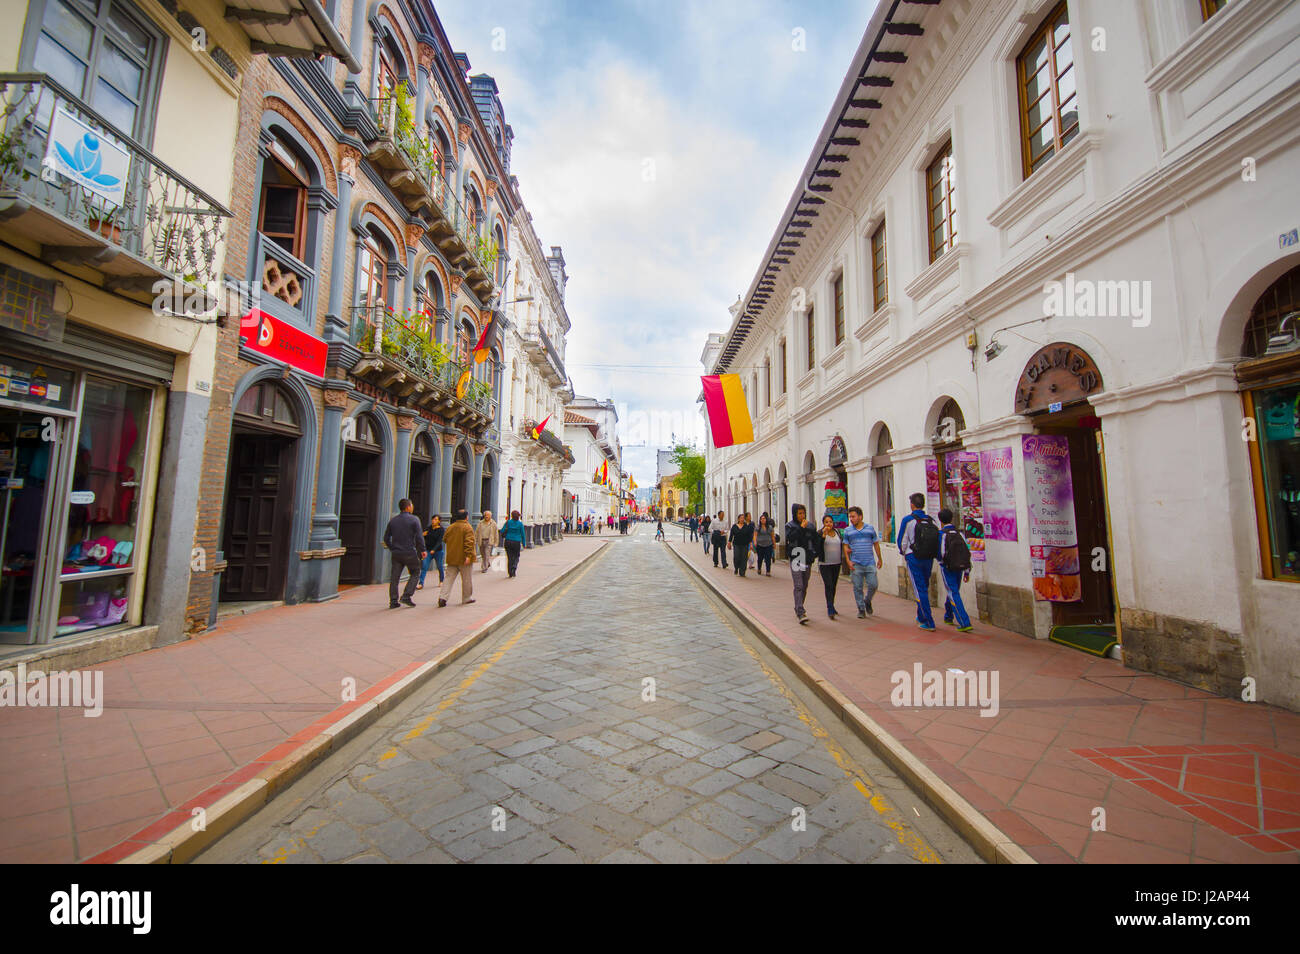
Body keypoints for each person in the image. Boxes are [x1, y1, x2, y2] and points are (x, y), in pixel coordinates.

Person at [897, 492, 939, 631]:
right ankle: (921, 617)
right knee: (923, 587)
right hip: (928, 558)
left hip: (914, 557)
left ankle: (928, 621)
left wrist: (904, 552)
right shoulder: (931, 520)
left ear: (912, 504)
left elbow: (902, 541)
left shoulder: (908, 520)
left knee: (919, 589)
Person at [383, 498, 426, 608]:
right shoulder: (414, 519)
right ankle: (406, 595)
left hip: (396, 553)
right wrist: (423, 550)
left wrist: (392, 548)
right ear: (408, 507)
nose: (412, 507)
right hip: (409, 552)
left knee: (394, 578)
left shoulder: (393, 520)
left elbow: (386, 538)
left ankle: (393, 601)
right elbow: (419, 537)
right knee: (416, 572)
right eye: (411, 505)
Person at [843, 506, 883, 619]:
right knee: (857, 587)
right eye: (850, 516)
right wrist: (848, 561)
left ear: (860, 517)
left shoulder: (870, 529)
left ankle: (867, 600)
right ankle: (861, 608)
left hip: (869, 562)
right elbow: (845, 546)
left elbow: (875, 543)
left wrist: (880, 558)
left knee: (873, 584)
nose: (851, 519)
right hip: (856, 563)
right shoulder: (847, 531)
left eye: (853, 516)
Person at [938, 508, 974, 632]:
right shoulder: (960, 534)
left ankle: (964, 621)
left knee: (953, 592)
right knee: (953, 591)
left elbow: (941, 554)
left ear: (940, 521)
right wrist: (967, 571)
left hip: (947, 568)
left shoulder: (941, 534)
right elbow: (966, 553)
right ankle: (948, 615)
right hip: (959, 567)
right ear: (952, 518)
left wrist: (942, 563)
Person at [785, 504, 818, 624]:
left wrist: (815, 553)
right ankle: (800, 611)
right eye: (799, 513)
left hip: (807, 558)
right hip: (796, 556)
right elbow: (790, 538)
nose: (802, 516)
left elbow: (814, 540)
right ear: (795, 514)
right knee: (798, 585)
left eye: (803, 513)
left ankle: (799, 605)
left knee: (804, 585)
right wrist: (801, 528)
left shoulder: (810, 526)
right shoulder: (790, 525)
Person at [438, 509, 476, 607]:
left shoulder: (450, 527)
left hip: (452, 557)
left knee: (448, 578)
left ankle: (443, 597)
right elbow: (469, 543)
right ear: (466, 517)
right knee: (466, 579)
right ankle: (466, 598)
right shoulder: (467, 527)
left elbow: (445, 539)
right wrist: (468, 555)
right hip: (464, 558)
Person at [819, 514, 843, 619]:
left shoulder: (837, 532)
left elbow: (841, 544)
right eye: (827, 522)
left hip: (836, 563)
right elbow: (818, 546)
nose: (829, 524)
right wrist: (823, 536)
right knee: (828, 584)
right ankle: (830, 607)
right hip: (825, 564)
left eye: (830, 522)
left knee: (833, 585)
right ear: (823, 523)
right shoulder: (820, 533)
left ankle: (832, 604)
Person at [418, 513, 445, 589]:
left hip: (438, 551)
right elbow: (424, 538)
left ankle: (441, 580)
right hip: (428, 550)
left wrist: (434, 549)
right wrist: (423, 535)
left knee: (440, 566)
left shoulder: (441, 529)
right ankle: (421, 583)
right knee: (424, 566)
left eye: (436, 519)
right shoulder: (428, 528)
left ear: (439, 521)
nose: (433, 521)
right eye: (433, 519)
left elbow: (440, 541)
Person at [501, 510, 527, 578]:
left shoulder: (508, 522)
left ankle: (510, 572)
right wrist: (524, 544)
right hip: (516, 542)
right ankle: (514, 567)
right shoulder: (520, 524)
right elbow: (523, 534)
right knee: (516, 556)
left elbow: (502, 530)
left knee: (509, 557)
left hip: (508, 541)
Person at [730, 512, 754, 577]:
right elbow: (731, 535)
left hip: (745, 544)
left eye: (743, 518)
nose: (742, 519)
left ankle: (742, 571)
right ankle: (736, 567)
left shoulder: (746, 526)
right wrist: (729, 542)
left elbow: (749, 536)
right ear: (738, 519)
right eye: (741, 518)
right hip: (736, 544)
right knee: (737, 557)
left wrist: (751, 543)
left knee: (744, 557)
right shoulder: (734, 526)